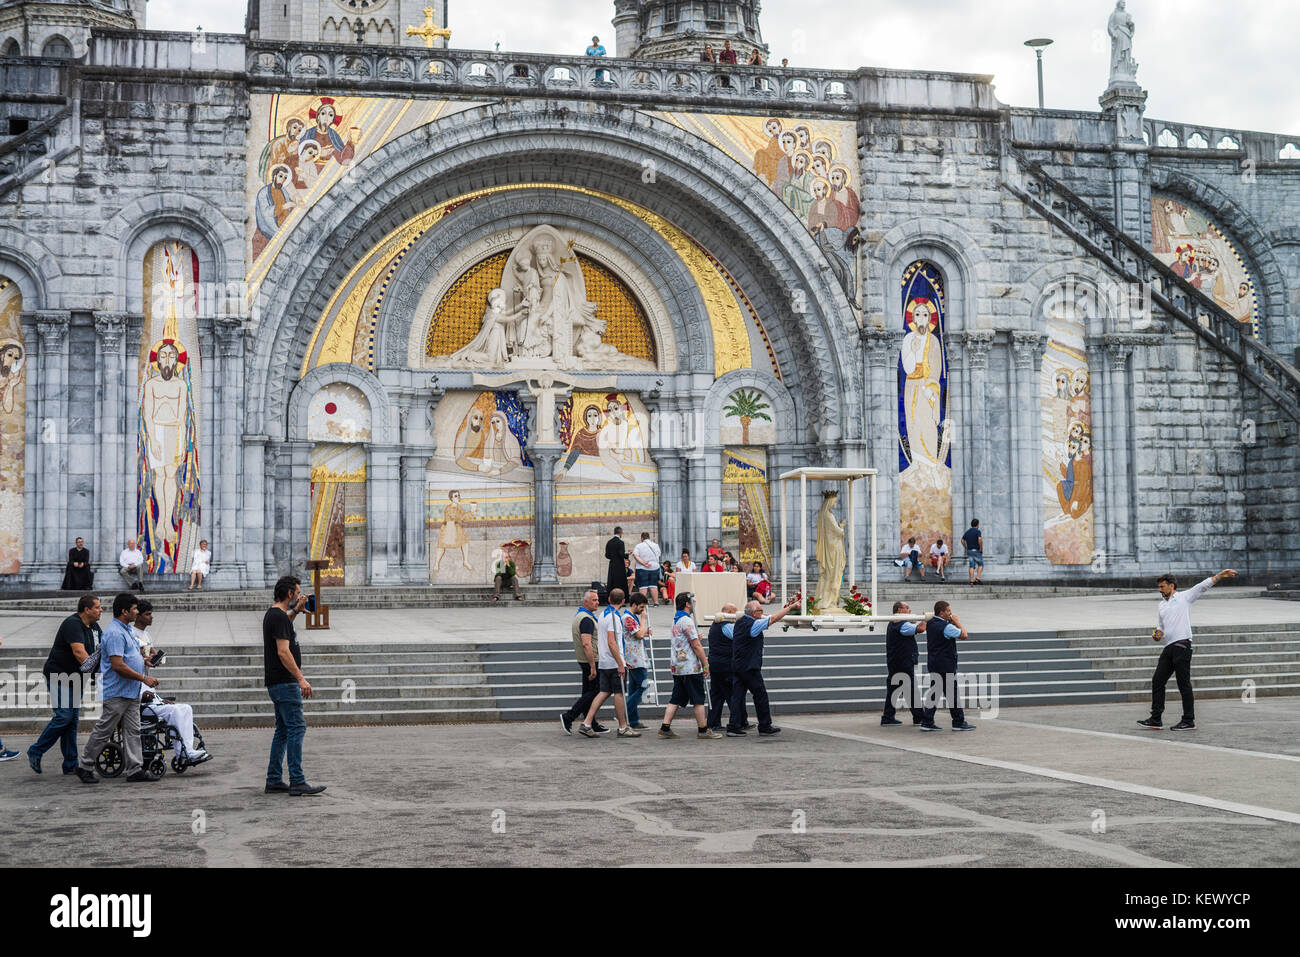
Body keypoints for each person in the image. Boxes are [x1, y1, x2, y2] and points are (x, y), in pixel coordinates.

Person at [1139, 569, 1237, 731]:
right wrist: (1157, 633)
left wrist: (1220, 576)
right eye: (1159, 587)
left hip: (1182, 645)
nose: (1160, 590)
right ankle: (1156, 719)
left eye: (1162, 587)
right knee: (1157, 681)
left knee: (1183, 683)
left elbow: (1202, 586)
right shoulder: (1162, 605)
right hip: (1168, 647)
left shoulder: (1185, 597)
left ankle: (1188, 720)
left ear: (1171, 586)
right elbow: (1160, 626)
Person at [76, 592, 158, 783]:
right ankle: (85, 765)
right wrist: (143, 678)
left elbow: (129, 656)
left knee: (133, 730)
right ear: (124, 611)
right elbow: (117, 665)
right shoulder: (114, 632)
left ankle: (135, 769)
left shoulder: (126, 629)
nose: (137, 612)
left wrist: (143, 660)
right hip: (117, 692)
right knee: (104, 730)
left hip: (130, 691)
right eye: (135, 609)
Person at [263, 575, 325, 796]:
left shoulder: (274, 615)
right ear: (289, 593)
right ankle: (297, 780)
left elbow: (283, 626)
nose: (299, 596)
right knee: (297, 728)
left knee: (282, 731)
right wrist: (300, 678)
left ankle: (273, 779)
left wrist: (297, 610)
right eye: (297, 592)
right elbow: (283, 651)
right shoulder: (278, 617)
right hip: (285, 682)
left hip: (275, 683)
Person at [27, 595, 102, 774]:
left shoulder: (95, 627)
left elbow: (102, 649)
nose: (101, 610)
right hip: (59, 675)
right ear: (86, 609)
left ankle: (70, 764)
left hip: (77, 677)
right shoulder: (72, 624)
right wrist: (99, 673)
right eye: (98, 607)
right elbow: (79, 652)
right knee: (64, 716)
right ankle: (36, 750)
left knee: (72, 720)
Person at [133, 600, 209, 765]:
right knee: (173, 712)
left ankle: (188, 750)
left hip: (145, 684)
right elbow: (136, 659)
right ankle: (184, 753)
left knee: (186, 708)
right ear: (137, 615)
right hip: (137, 686)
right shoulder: (131, 634)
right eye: (148, 614)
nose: (151, 617)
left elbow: (148, 655)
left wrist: (153, 659)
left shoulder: (147, 636)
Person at [726, 597, 800, 737]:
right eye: (761, 610)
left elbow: (768, 616)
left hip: (738, 665)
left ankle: (733, 726)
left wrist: (786, 606)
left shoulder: (742, 620)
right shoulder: (754, 625)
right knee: (760, 695)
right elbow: (772, 619)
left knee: (737, 697)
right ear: (754, 613)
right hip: (749, 667)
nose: (763, 612)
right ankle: (765, 725)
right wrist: (790, 608)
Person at [578, 589, 640, 738]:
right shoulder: (614, 617)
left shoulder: (603, 615)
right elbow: (612, 642)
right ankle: (623, 726)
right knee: (619, 693)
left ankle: (587, 723)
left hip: (605, 661)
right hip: (613, 662)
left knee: (604, 692)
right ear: (623, 600)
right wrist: (620, 663)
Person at [660, 593, 722, 739]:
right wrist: (705, 664)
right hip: (689, 666)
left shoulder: (676, 619)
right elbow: (696, 646)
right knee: (698, 698)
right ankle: (702, 730)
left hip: (678, 665)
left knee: (676, 698)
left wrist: (695, 638)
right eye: (692, 602)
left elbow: (685, 639)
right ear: (687, 604)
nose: (694, 604)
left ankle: (665, 726)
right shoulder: (686, 620)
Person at [920, 600, 975, 731]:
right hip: (946, 664)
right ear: (942, 612)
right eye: (948, 611)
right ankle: (958, 722)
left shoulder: (932, 623)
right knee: (952, 694)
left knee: (935, 692)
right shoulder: (947, 627)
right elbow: (964, 635)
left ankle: (927, 721)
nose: (951, 613)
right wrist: (957, 622)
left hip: (934, 663)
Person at [560, 590, 609, 735]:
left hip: (586, 660)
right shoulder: (586, 619)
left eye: (597, 600)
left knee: (588, 692)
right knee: (596, 691)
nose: (597, 602)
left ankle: (591, 722)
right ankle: (569, 716)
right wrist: (593, 665)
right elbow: (587, 644)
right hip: (591, 660)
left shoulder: (580, 616)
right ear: (585, 601)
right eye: (594, 600)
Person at [881, 601, 927, 726]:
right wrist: (926, 619)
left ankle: (887, 717)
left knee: (893, 690)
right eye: (907, 608)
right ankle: (919, 717)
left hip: (895, 661)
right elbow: (921, 629)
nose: (910, 610)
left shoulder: (893, 623)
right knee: (911, 690)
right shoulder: (902, 624)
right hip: (903, 662)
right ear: (900, 610)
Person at [705, 602, 747, 733]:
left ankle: (713, 723)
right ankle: (738, 722)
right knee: (733, 694)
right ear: (728, 612)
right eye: (734, 612)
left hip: (716, 664)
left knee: (716, 696)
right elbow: (739, 637)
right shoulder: (727, 626)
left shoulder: (715, 625)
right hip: (725, 665)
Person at [621, 592, 653, 730]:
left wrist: (645, 632)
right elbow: (638, 634)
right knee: (643, 687)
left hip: (636, 656)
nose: (642, 610)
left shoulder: (631, 617)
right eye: (641, 607)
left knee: (634, 688)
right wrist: (644, 621)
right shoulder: (628, 617)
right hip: (635, 658)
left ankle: (633, 720)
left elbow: (635, 634)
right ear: (634, 604)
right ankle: (625, 713)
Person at [632, 532, 662, 605]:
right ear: (649, 537)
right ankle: (656, 602)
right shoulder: (655, 545)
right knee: (653, 585)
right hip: (654, 568)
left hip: (642, 568)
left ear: (642, 538)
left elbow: (635, 555)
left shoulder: (639, 546)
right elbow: (659, 554)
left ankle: (642, 603)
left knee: (643, 586)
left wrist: (644, 563)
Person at [604, 527, 627, 600]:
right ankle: (621, 599)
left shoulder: (609, 542)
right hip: (620, 565)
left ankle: (611, 598)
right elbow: (621, 554)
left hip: (612, 565)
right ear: (620, 533)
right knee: (620, 582)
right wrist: (627, 555)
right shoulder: (621, 542)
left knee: (612, 582)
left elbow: (607, 555)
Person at [962, 520, 983, 585]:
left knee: (971, 565)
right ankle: (977, 579)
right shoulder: (977, 531)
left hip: (969, 551)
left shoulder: (967, 532)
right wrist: (981, 548)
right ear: (977, 524)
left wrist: (965, 547)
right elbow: (979, 539)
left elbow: (962, 540)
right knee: (981, 564)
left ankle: (971, 580)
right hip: (976, 550)